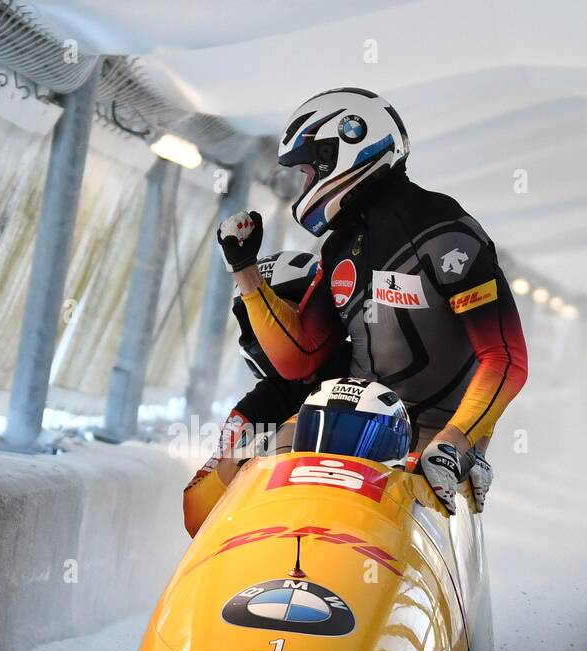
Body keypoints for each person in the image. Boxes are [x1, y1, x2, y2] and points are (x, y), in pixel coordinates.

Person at [216, 87, 529, 514]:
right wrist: (245, 271)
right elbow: (300, 358)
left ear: (341, 151)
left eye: (307, 171)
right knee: (248, 476)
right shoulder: (339, 246)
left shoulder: (446, 232)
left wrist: (455, 442)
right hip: (345, 421)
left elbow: (505, 357)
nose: (304, 185)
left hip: (432, 437)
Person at [183, 251, 349, 536]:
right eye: (259, 319)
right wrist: (243, 456)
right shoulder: (258, 406)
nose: (268, 332)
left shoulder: (366, 371)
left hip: (345, 527)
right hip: (273, 535)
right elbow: (195, 515)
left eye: (279, 315)